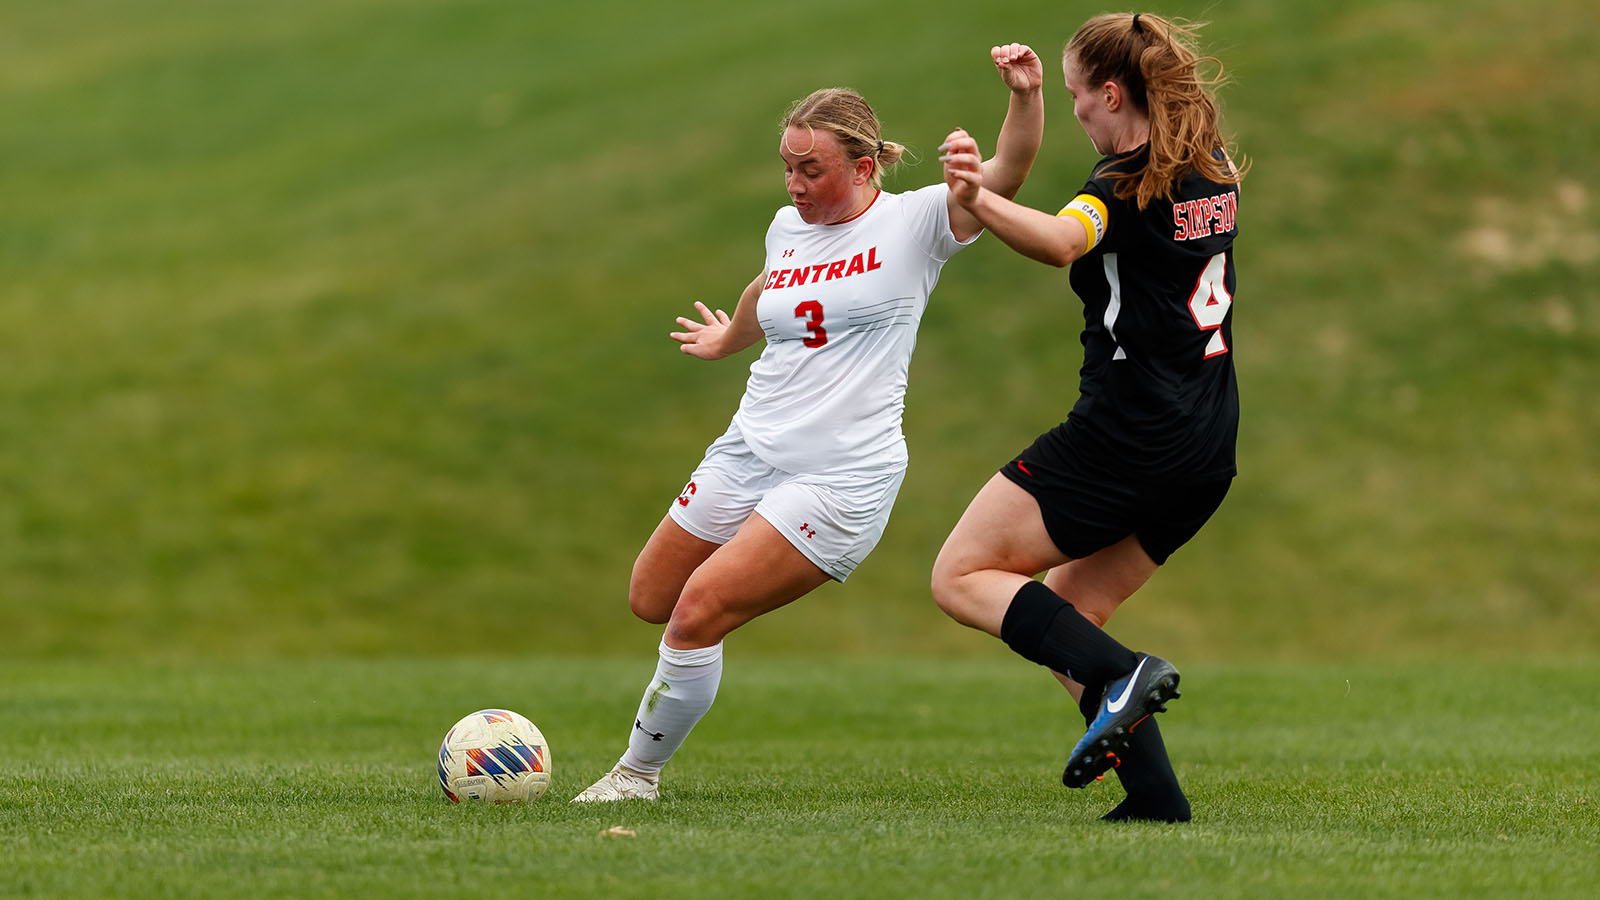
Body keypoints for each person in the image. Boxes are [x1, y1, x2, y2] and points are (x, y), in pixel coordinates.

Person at [572, 43, 1046, 803]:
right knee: (652, 595)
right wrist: (729, 336)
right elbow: (774, 282)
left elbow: (1008, 173)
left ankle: (636, 775)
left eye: (811, 170)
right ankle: (677, 691)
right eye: (787, 168)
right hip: (749, 449)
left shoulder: (918, 220)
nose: (795, 185)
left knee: (697, 612)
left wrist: (1024, 96)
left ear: (864, 166)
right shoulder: (786, 227)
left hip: (840, 475)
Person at [930, 12, 1246, 823]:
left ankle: (1125, 675)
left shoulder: (1119, 184)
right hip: (1207, 444)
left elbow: (1063, 241)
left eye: (1076, 96)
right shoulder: (1212, 171)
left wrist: (973, 198)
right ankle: (1155, 800)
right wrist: (1027, 97)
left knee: (961, 575)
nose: (1075, 112)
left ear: (1113, 92)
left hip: (1126, 434)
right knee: (1072, 610)